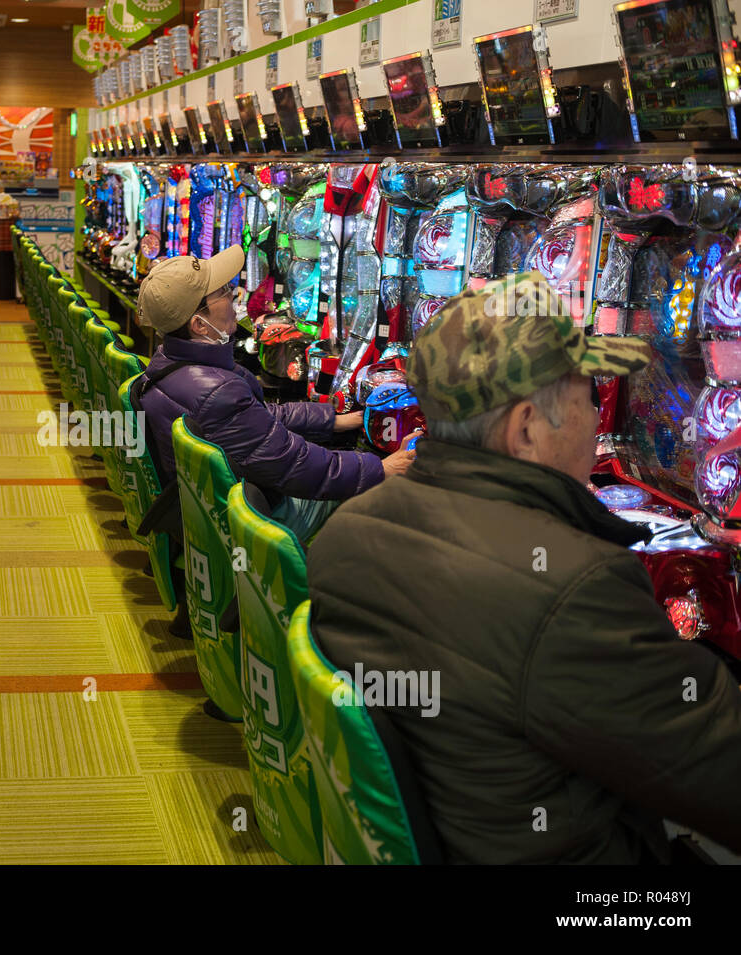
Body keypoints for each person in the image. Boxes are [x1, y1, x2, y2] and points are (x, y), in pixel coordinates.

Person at [305, 272, 741, 863]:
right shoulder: (574, 590)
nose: (600, 424)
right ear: (527, 429)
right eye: (588, 397)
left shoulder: (349, 529)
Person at [135, 246, 413, 546]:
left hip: (206, 516)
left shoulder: (168, 365)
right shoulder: (217, 391)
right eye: (224, 291)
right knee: (371, 495)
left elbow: (257, 418)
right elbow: (295, 465)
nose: (234, 295)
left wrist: (334, 420)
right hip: (247, 528)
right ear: (200, 325)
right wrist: (381, 468)